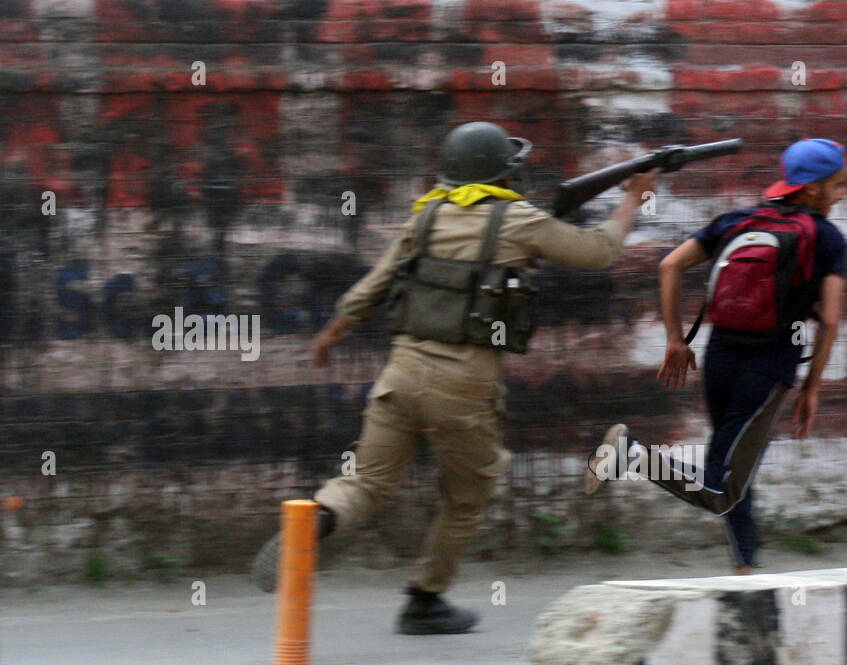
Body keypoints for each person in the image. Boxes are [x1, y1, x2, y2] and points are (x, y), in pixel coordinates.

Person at [251, 121, 659, 633]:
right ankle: (425, 598)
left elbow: (371, 286)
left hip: (401, 371)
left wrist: (332, 332)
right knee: (469, 494)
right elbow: (598, 252)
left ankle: (318, 517)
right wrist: (633, 200)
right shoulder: (517, 218)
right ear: (499, 172)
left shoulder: (426, 217)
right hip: (463, 382)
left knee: (366, 482)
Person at [586, 138, 846, 574]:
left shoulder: (737, 221)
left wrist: (675, 340)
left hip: (720, 359)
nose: (841, 194)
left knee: (730, 467)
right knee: (722, 485)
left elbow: (669, 265)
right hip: (768, 370)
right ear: (813, 189)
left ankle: (745, 568)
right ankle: (630, 454)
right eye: (837, 186)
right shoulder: (827, 238)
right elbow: (832, 319)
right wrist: (812, 387)